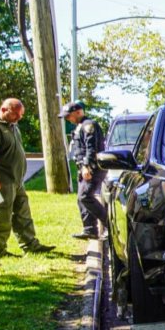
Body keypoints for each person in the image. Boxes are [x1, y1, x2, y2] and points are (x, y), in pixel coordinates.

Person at [0, 98, 53, 258]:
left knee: (22, 213)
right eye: (16, 115)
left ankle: (30, 245)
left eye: (21, 115)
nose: (19, 118)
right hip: (0, 182)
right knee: (0, 215)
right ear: (4, 110)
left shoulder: (11, 127)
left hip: (16, 181)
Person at [62, 101, 106, 239]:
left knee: (85, 196)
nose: (67, 119)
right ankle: (89, 229)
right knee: (81, 199)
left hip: (92, 168)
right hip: (83, 168)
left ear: (78, 112)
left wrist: (87, 166)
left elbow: (92, 148)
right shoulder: (80, 126)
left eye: (69, 115)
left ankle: (109, 224)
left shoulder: (89, 126)